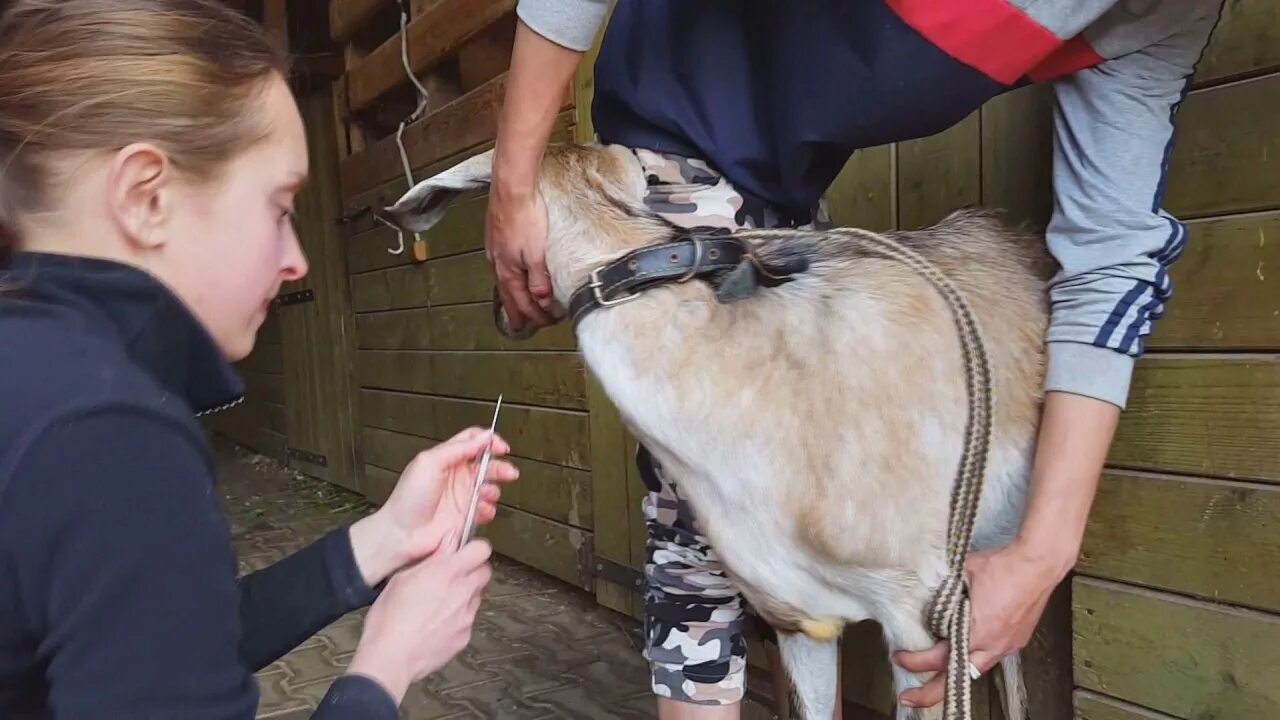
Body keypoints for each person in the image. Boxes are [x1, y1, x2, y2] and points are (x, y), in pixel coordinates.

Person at [489, 0, 1223, 715]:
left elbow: (1110, 256)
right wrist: (514, 179)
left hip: (791, 182)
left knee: (783, 498)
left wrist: (1044, 551)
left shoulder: (1161, 13)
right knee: (700, 507)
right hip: (673, 124)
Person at [0, 1, 521, 718]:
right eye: (280, 209)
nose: (297, 261)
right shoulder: (106, 432)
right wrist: (385, 664)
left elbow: (161, 648)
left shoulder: (36, 372)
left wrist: (383, 540)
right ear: (146, 196)